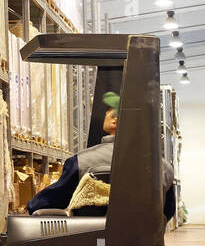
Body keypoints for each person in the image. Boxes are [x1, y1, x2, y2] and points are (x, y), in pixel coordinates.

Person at [26, 92, 177, 221]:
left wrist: (32, 205)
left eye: (109, 111)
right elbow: (167, 212)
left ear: (115, 121)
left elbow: (49, 201)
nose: (105, 114)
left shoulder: (80, 162)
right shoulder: (163, 168)